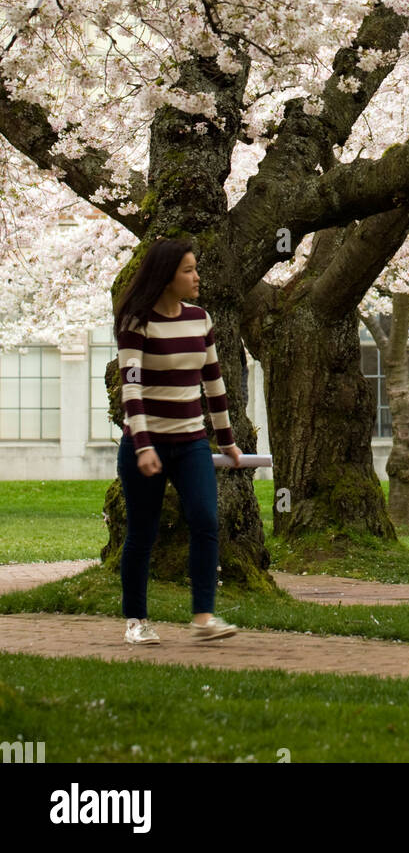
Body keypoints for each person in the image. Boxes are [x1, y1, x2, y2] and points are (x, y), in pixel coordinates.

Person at [113, 237, 243, 645]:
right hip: (144, 446)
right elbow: (130, 388)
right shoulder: (136, 321)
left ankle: (203, 617)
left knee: (205, 520)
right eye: (188, 270)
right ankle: (136, 621)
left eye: (195, 268)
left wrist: (226, 441)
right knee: (142, 534)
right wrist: (144, 444)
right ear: (167, 277)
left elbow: (214, 384)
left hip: (191, 443)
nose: (196, 276)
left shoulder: (200, 319)